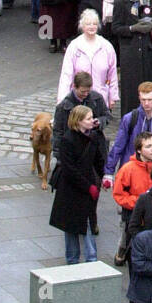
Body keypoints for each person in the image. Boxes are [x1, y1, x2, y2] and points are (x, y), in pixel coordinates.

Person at [48, 103, 103, 263]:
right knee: (71, 227)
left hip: (86, 188)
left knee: (87, 223)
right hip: (71, 191)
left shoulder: (93, 137)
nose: (92, 121)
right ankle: (72, 260)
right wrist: (89, 186)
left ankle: (91, 259)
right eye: (89, 118)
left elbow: (98, 159)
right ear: (78, 121)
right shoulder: (68, 140)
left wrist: (104, 176)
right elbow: (69, 169)